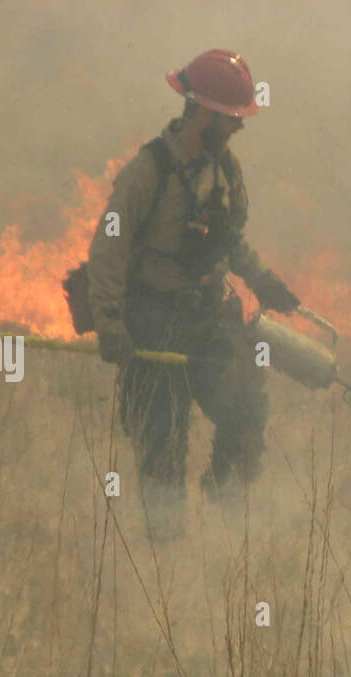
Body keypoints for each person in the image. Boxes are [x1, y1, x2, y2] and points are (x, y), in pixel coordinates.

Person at [87, 49, 299, 538]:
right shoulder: (148, 171)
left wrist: (263, 279)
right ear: (201, 113)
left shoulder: (225, 170)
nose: (237, 130)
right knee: (162, 451)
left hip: (209, 322)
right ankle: (166, 563)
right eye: (230, 120)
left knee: (246, 411)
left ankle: (228, 526)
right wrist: (110, 323)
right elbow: (108, 247)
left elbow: (229, 239)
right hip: (153, 325)